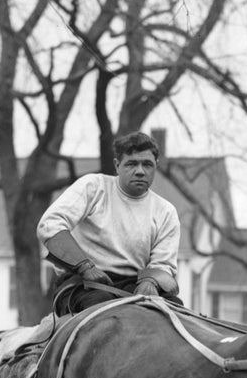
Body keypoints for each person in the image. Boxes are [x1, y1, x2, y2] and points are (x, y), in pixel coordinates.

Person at [37, 131, 182, 315]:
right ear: (117, 165)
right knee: (103, 313)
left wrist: (150, 282)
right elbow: (50, 224)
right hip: (83, 285)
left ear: (156, 166)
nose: (140, 171)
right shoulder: (94, 188)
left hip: (134, 287)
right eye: (131, 164)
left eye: (147, 164)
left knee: (175, 314)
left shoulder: (165, 211)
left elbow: (163, 262)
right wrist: (85, 266)